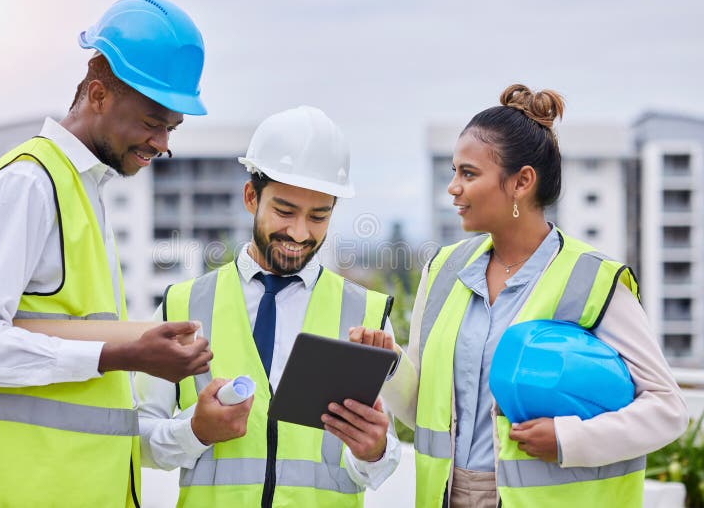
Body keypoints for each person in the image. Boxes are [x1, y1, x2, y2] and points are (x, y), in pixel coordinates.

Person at [0, 0, 213, 507]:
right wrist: (123, 354)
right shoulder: (29, 183)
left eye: (172, 129)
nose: (162, 143)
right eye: (152, 121)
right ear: (98, 95)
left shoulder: (83, 191)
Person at [351, 84, 689, 508]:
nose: (453, 188)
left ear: (522, 182)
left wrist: (569, 439)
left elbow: (668, 408)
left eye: (468, 174)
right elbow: (424, 409)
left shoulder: (594, 279)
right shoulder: (444, 270)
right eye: (454, 172)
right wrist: (391, 363)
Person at [136, 106, 401, 507]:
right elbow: (140, 442)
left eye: (318, 216)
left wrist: (374, 450)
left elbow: (384, 460)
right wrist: (195, 430)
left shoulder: (366, 314)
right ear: (250, 197)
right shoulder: (182, 306)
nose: (299, 232)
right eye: (284, 211)